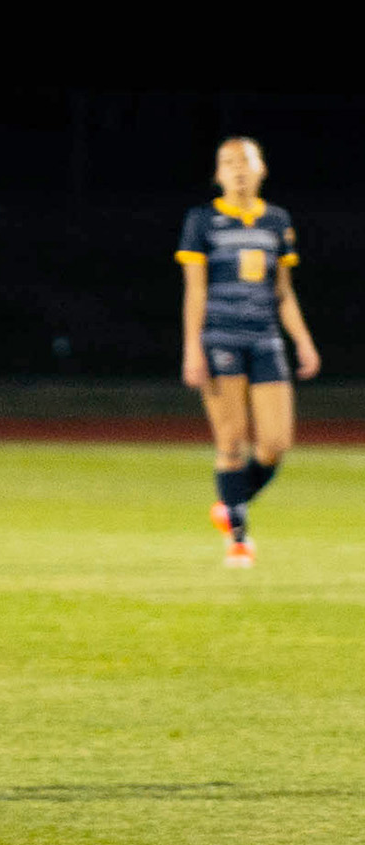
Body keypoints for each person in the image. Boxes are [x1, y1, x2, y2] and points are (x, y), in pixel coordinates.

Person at [177, 136, 320, 567]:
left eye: (245, 161)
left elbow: (283, 293)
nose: (237, 169)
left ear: (261, 170)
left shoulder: (277, 221)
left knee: (276, 442)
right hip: (220, 338)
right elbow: (195, 292)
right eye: (228, 162)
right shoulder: (202, 221)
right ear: (218, 175)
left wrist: (304, 340)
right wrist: (192, 349)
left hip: (265, 338)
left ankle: (230, 505)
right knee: (232, 439)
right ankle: (238, 539)